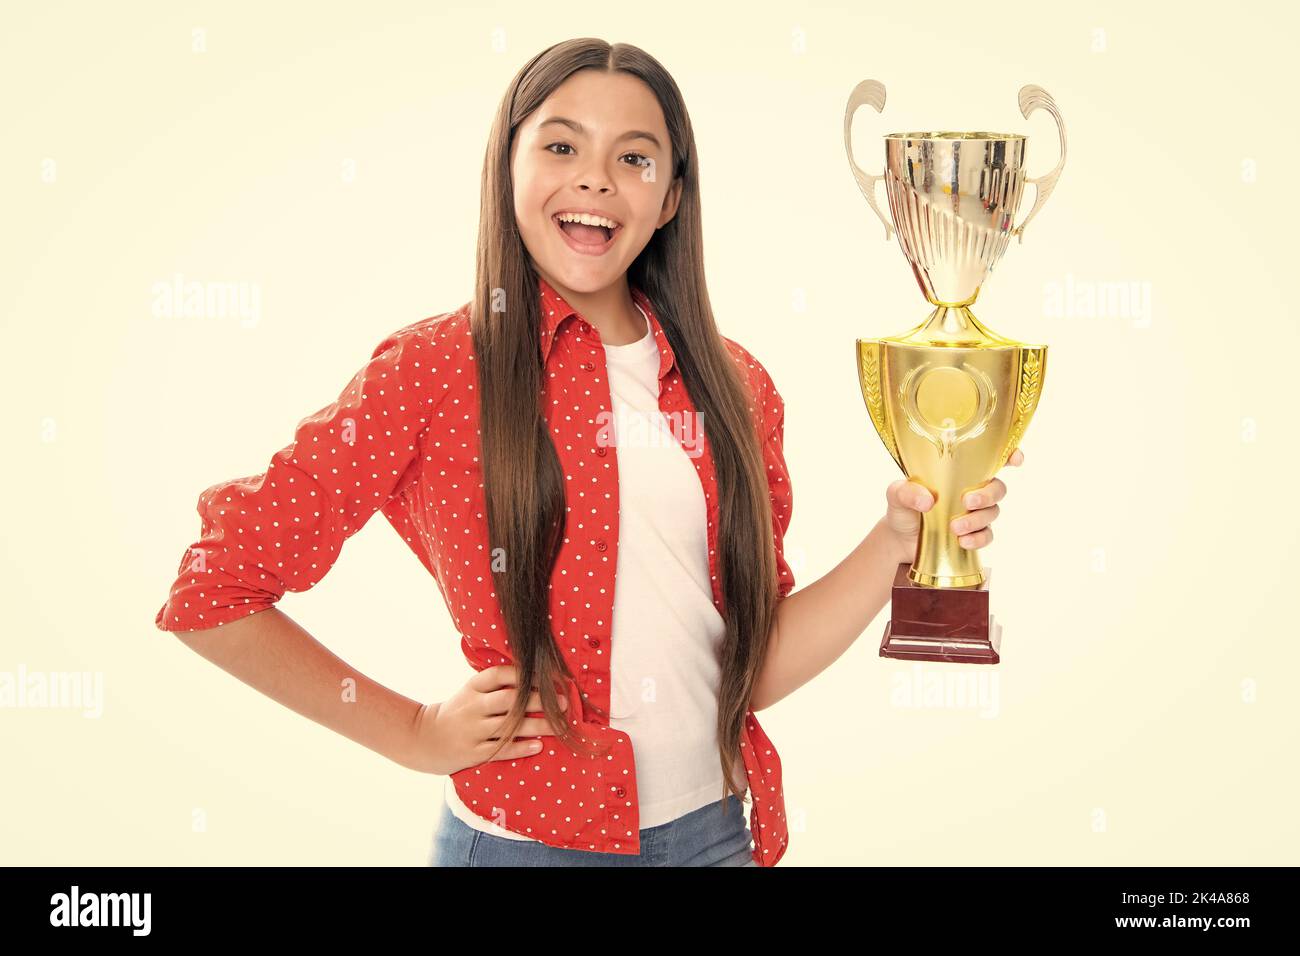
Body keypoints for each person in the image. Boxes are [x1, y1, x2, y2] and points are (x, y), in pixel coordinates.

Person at [154, 38, 1023, 868]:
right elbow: (213, 590)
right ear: (509, 165)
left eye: (636, 159)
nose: (596, 181)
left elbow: (743, 673)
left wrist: (895, 544)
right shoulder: (435, 370)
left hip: (720, 832)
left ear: (673, 196)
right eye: (562, 145)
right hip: (525, 848)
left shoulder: (735, 386)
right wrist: (415, 732)